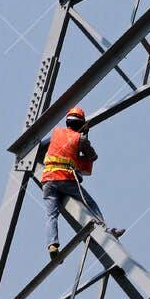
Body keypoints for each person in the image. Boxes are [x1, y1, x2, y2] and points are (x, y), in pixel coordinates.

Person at [40, 106, 106, 258]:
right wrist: (85, 136)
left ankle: (52, 244)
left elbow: (42, 147)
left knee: (51, 216)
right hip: (65, 178)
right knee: (90, 202)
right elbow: (92, 157)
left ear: (67, 121)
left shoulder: (56, 133)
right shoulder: (79, 138)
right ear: (81, 124)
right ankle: (104, 228)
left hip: (48, 178)